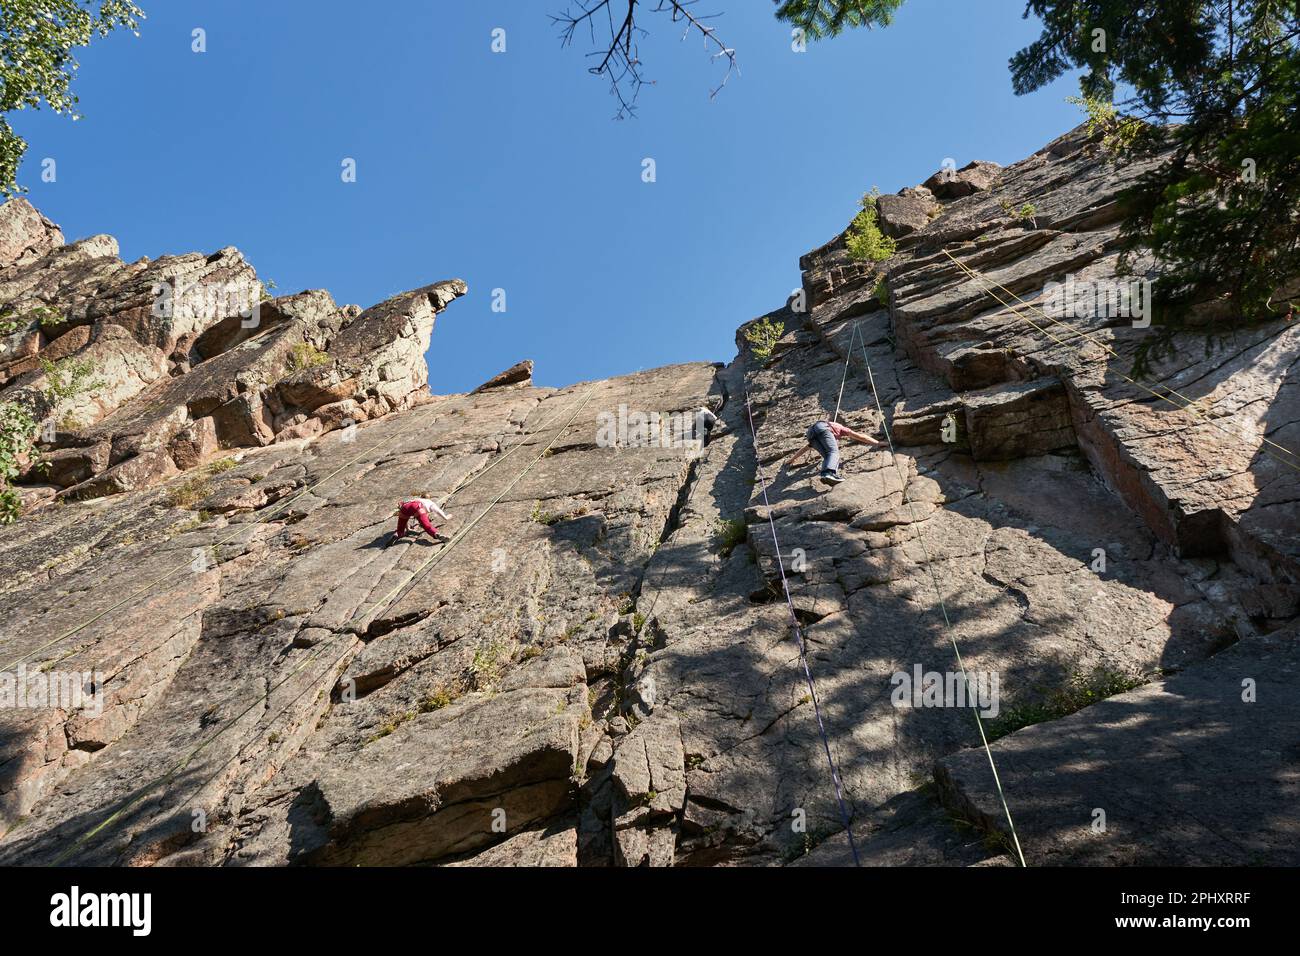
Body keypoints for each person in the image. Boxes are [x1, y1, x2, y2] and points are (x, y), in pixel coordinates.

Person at [786, 419, 884, 484]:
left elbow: (805, 448)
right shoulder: (841, 428)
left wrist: (792, 459)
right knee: (834, 452)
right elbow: (860, 436)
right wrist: (878, 443)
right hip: (823, 428)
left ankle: (825, 475)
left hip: (810, 434)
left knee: (829, 457)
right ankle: (829, 473)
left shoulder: (831, 428)